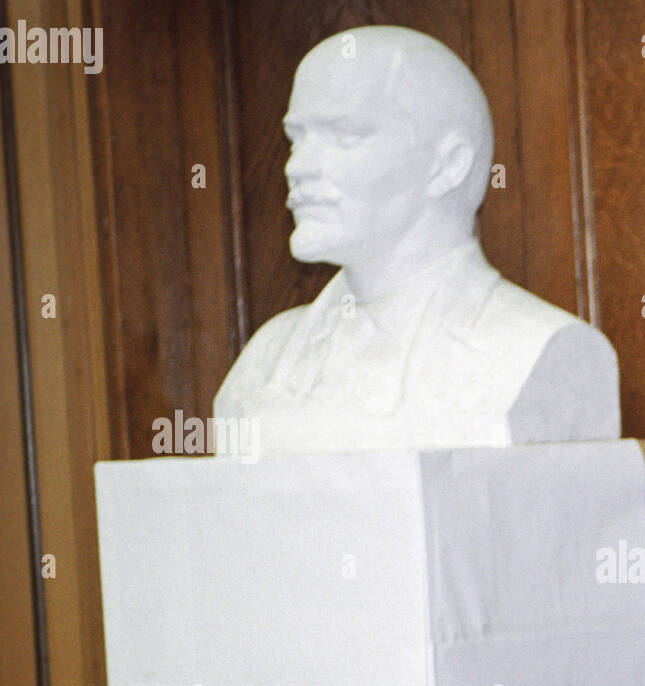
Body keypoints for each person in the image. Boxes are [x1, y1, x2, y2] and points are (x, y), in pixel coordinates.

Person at [214, 25, 618, 453]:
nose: (297, 167)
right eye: (296, 139)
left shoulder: (545, 351)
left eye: (345, 136)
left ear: (448, 165)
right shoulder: (265, 360)